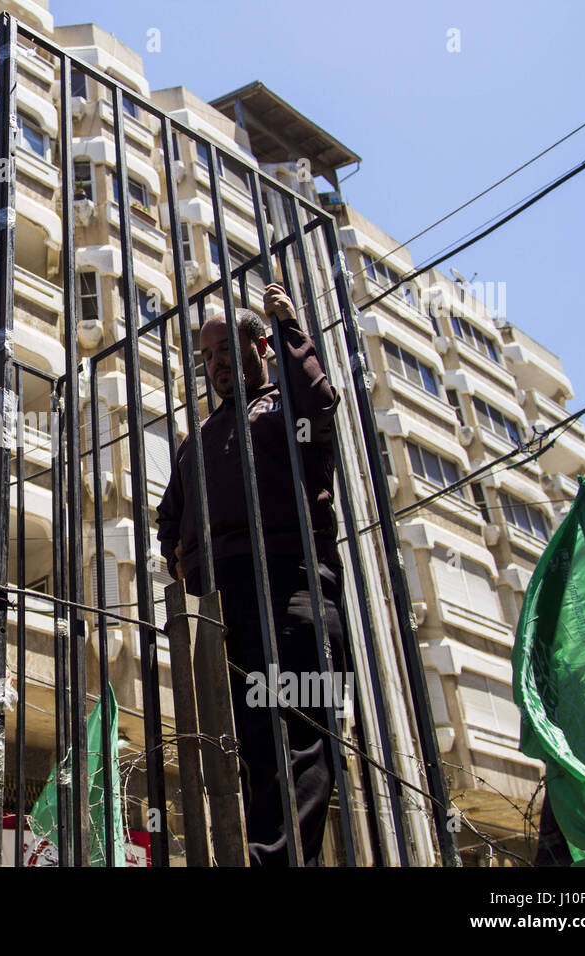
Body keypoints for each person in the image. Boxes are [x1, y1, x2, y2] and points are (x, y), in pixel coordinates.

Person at [155, 282, 346, 866]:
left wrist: (290, 328)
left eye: (225, 350)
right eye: (207, 356)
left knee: (306, 741)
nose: (215, 364)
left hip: (294, 586)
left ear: (257, 346)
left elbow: (320, 402)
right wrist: (184, 562)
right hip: (230, 603)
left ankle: (268, 860)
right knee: (260, 749)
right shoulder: (199, 442)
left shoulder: (287, 411)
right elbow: (169, 517)